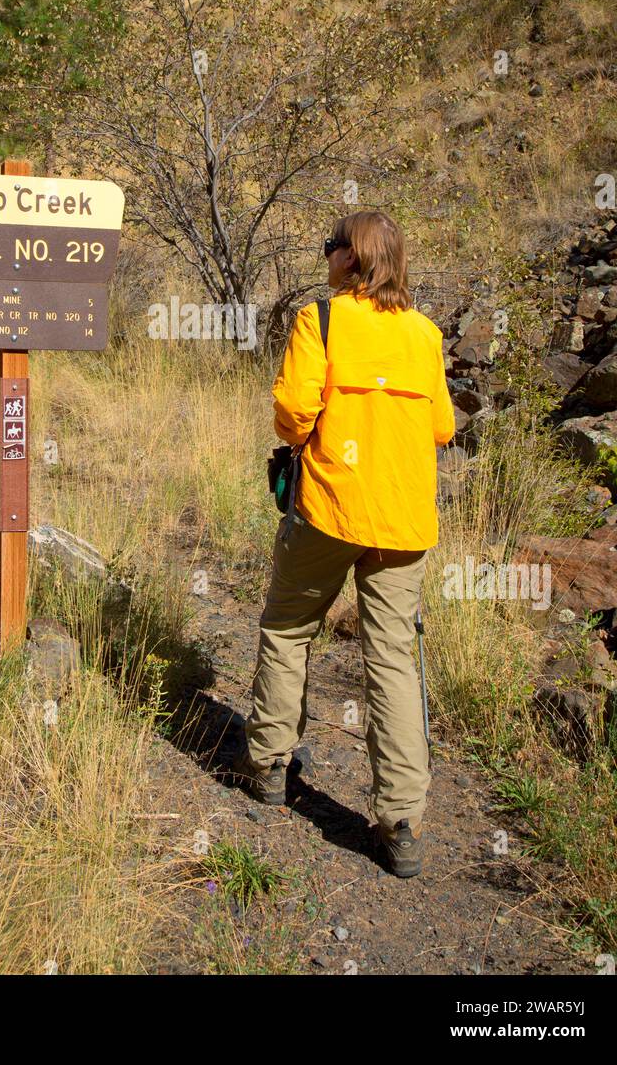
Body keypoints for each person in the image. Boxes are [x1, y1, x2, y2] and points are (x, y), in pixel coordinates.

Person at [233, 210, 455, 877]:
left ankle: (271, 765)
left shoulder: (321, 321)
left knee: (289, 625)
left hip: (328, 509)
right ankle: (403, 823)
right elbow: (442, 427)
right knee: (392, 661)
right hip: (402, 521)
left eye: (330, 248)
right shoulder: (424, 334)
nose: (325, 257)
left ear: (350, 258)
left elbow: (293, 413)